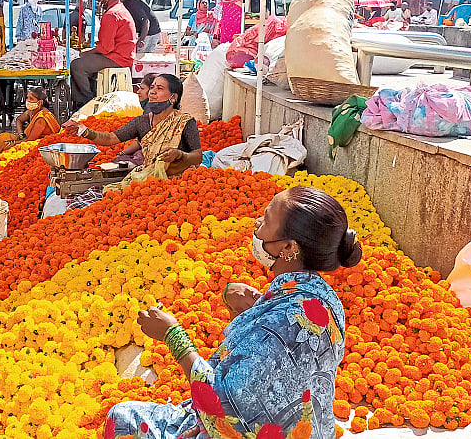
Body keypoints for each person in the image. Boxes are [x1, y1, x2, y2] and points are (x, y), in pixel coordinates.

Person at [106, 186, 362, 439]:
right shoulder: (324, 298)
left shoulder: (280, 322)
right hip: (308, 428)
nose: (257, 224)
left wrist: (173, 336)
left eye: (267, 220)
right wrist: (252, 310)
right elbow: (277, 360)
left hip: (249, 430)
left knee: (121, 419)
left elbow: (225, 405)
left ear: (288, 248)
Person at [64, 74, 201, 186]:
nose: (152, 92)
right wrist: (83, 130)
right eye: (152, 87)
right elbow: (110, 138)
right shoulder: (142, 122)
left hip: (182, 181)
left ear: (173, 97)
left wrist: (180, 155)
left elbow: (198, 156)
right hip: (150, 179)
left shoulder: (185, 122)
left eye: (159, 88)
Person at [69, 0, 136, 108]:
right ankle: (94, 95)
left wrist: (86, 53)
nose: (99, 0)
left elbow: (106, 48)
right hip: (122, 56)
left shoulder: (112, 14)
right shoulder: (120, 9)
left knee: (77, 65)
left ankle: (86, 103)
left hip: (118, 58)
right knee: (87, 64)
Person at [0, 87, 61, 152]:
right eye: (27, 98)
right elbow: (19, 120)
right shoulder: (31, 111)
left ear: (40, 102)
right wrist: (21, 134)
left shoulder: (42, 117)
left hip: (41, 144)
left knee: (3, 146)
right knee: (0, 139)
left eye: (31, 99)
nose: (28, 100)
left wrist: (12, 144)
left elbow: (31, 140)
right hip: (28, 139)